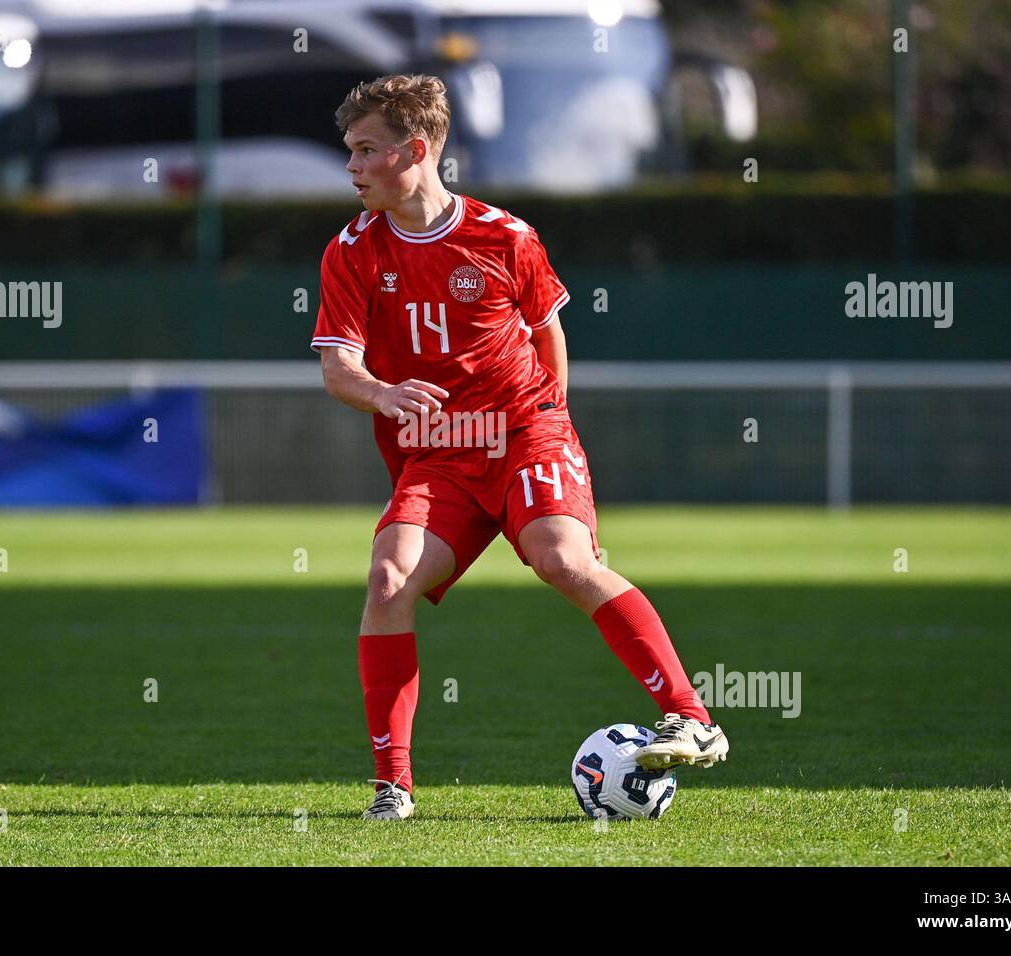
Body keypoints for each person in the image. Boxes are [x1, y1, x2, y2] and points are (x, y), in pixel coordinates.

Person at [312, 74, 728, 820]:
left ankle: (694, 719)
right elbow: (339, 367)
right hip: (439, 454)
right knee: (386, 581)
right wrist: (383, 393)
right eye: (349, 150)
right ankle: (393, 787)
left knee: (564, 560)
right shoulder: (350, 252)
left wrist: (545, 426)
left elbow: (546, 335)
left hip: (523, 433)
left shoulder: (505, 237)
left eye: (366, 150)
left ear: (415, 151)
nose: (352, 166)